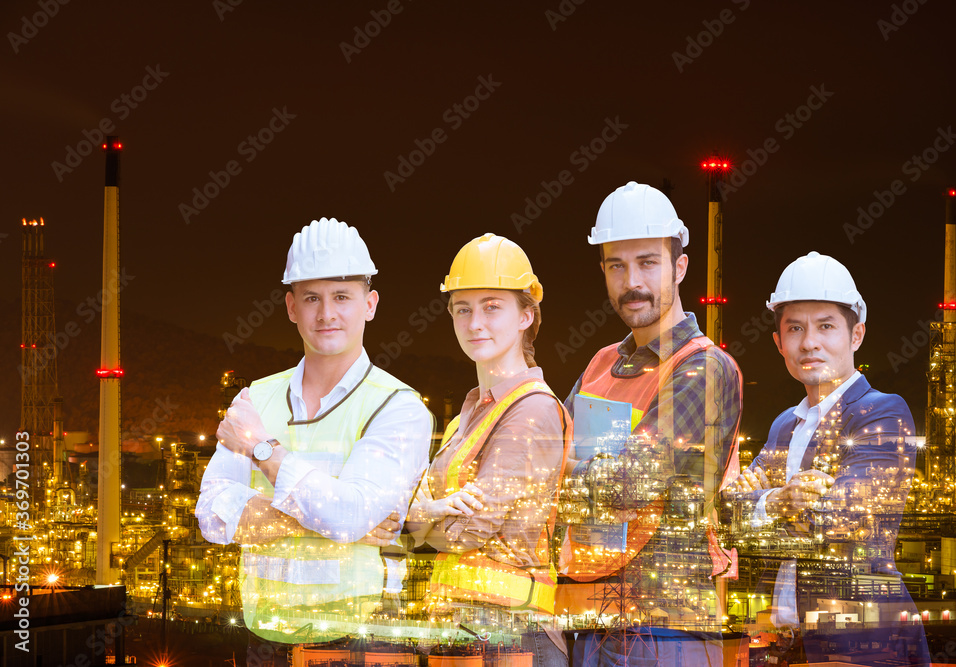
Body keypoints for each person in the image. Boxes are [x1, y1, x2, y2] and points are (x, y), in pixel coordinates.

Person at [195, 217, 433, 653]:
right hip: (264, 639)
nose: (326, 313)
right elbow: (211, 514)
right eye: (312, 298)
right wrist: (332, 520)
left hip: (361, 642)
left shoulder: (397, 407)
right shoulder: (258, 398)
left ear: (370, 304)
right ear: (291, 308)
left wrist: (261, 449)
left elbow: (349, 516)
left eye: (342, 296)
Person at [558, 181, 743, 665]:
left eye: (647, 262)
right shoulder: (600, 364)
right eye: (616, 265)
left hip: (663, 628)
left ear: (680, 267)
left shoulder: (703, 369)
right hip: (585, 614)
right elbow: (539, 454)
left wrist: (567, 471)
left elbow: (628, 482)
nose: (630, 280)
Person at [731, 251, 929, 664]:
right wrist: (779, 501)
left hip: (861, 640)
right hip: (783, 641)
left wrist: (765, 507)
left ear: (856, 335)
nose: (809, 342)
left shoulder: (882, 413)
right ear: (778, 342)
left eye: (826, 326)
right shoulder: (786, 425)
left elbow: (841, 522)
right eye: (795, 329)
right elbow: (727, 512)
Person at [404, 233, 571, 645]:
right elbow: (412, 520)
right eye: (463, 309)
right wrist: (425, 513)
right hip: (464, 627)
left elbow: (469, 530)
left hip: (513, 632)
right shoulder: (475, 411)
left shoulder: (531, 410)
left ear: (526, 316)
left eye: (492, 307)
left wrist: (420, 515)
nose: (474, 323)